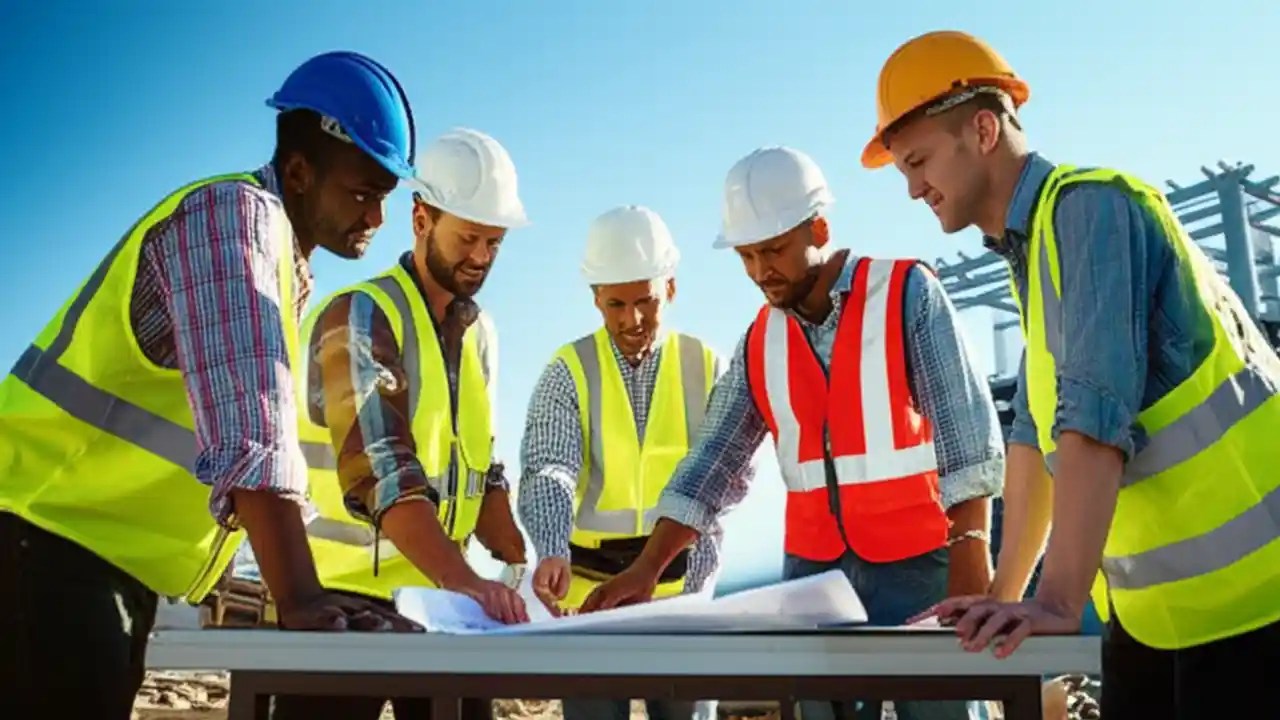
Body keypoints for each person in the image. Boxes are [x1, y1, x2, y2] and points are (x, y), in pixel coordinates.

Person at [860, 29, 1280, 719]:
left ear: (984, 129)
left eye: (918, 161)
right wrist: (1007, 594)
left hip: (1256, 611)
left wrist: (1055, 601)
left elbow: (1092, 416)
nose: (911, 189)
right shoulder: (1037, 252)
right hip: (1160, 619)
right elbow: (1032, 441)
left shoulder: (1091, 211)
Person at [0, 50, 422, 719]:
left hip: (95, 566)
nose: (376, 219)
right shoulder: (235, 219)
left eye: (385, 199)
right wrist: (301, 596)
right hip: (41, 547)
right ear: (300, 172)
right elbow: (249, 425)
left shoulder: (284, 263)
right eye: (363, 194)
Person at [581, 146, 1006, 720]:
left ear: (820, 227)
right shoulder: (760, 341)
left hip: (921, 568)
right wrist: (647, 569)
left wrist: (971, 554)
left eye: (774, 250)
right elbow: (711, 466)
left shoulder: (906, 294)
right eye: (747, 256)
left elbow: (966, 432)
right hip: (814, 582)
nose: (760, 272)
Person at [276, 127, 532, 720]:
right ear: (421, 218)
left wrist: (522, 554)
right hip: (345, 605)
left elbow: (478, 463)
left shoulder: (481, 333)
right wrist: (466, 581)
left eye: (494, 242)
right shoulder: (362, 315)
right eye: (469, 237)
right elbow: (383, 472)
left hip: (443, 607)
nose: (481, 257)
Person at [518, 205, 732, 720]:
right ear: (594, 296)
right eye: (615, 303)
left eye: (646, 301)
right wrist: (549, 547)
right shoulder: (568, 370)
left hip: (680, 593)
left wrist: (698, 583)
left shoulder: (707, 366)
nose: (631, 319)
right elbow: (550, 465)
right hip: (591, 600)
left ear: (671, 290)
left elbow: (718, 480)